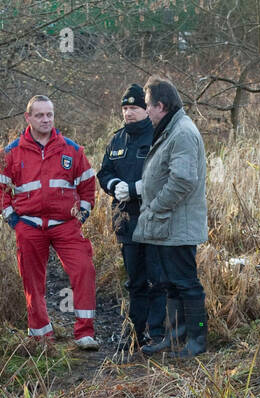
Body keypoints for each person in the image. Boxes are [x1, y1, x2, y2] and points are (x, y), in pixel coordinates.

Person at [0, 95, 99, 349]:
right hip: (28, 224)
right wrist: (13, 220)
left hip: (65, 224)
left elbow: (87, 184)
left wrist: (81, 215)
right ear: (28, 118)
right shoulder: (11, 152)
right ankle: (41, 336)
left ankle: (85, 333)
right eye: (39, 115)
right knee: (32, 279)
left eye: (49, 114)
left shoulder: (72, 150)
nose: (45, 119)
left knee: (84, 269)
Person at [133, 76, 209, 357]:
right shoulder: (172, 129)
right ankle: (177, 339)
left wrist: (156, 208)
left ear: (161, 106)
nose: (146, 111)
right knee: (173, 284)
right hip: (170, 226)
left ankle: (197, 342)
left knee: (187, 285)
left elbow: (183, 180)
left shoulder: (182, 133)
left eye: (148, 106)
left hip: (178, 224)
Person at [96, 83, 164, 358]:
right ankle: (135, 332)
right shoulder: (116, 140)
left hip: (154, 220)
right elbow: (104, 172)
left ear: (145, 109)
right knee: (135, 281)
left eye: (133, 108)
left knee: (157, 280)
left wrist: (136, 187)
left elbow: (164, 177)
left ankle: (157, 334)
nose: (128, 113)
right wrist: (114, 185)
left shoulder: (159, 136)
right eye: (124, 108)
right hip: (126, 221)